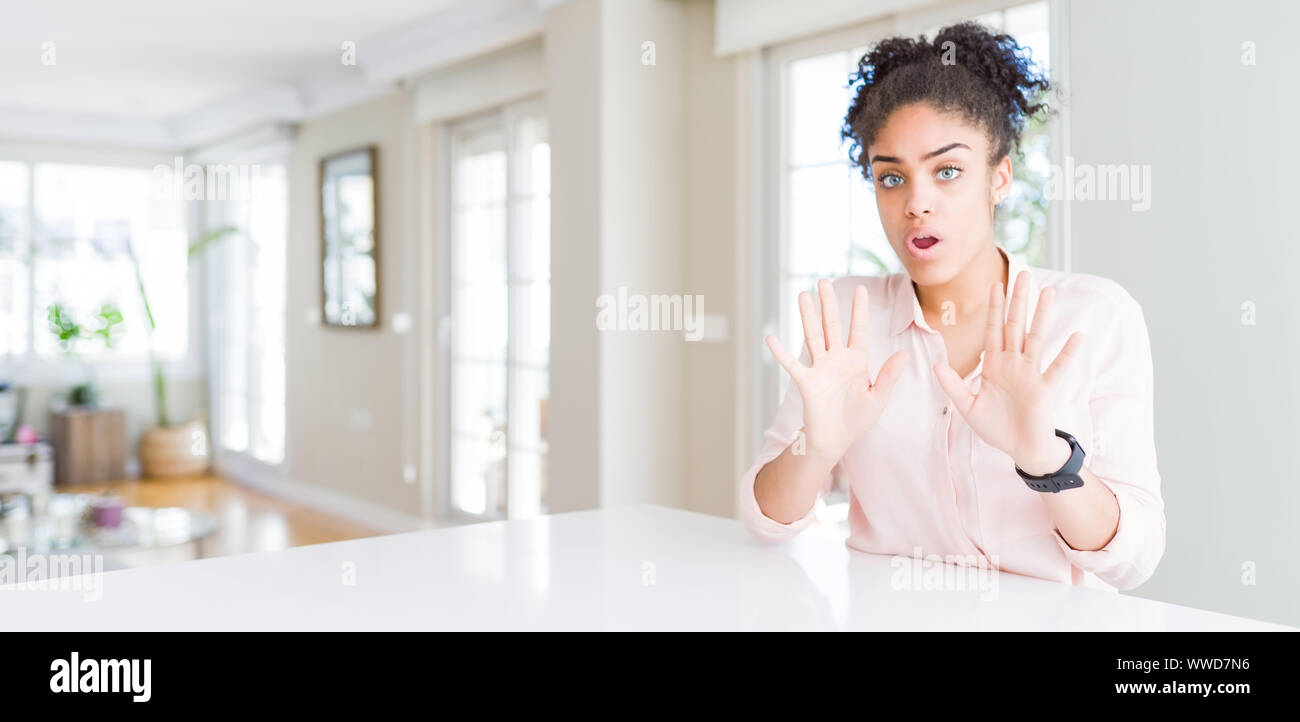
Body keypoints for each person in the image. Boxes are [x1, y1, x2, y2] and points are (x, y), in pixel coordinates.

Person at [739, 21, 1165, 592]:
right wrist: (813, 450)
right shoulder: (846, 318)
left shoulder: (1095, 315)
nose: (917, 203)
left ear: (999, 177)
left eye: (947, 171)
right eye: (891, 177)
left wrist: (1046, 460)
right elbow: (766, 522)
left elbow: (1133, 560)